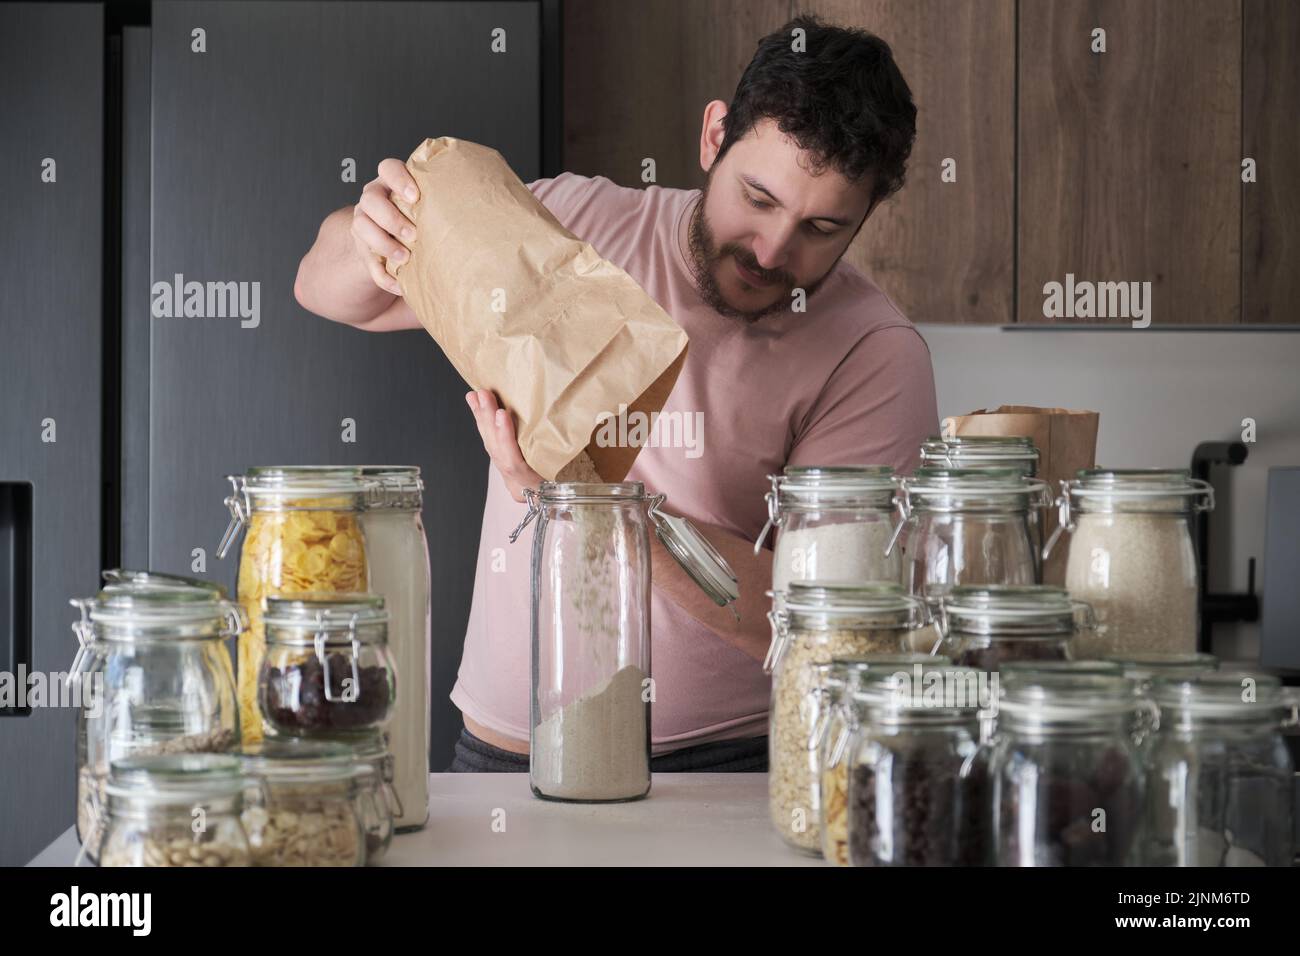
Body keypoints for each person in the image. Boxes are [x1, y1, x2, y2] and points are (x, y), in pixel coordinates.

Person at [294, 15, 939, 773]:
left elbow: (827, 618)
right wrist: (371, 229)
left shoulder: (873, 353)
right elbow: (328, 290)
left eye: (822, 227)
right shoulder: (573, 223)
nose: (772, 251)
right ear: (714, 137)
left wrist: (595, 505)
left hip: (716, 773)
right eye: (757, 198)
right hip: (501, 753)